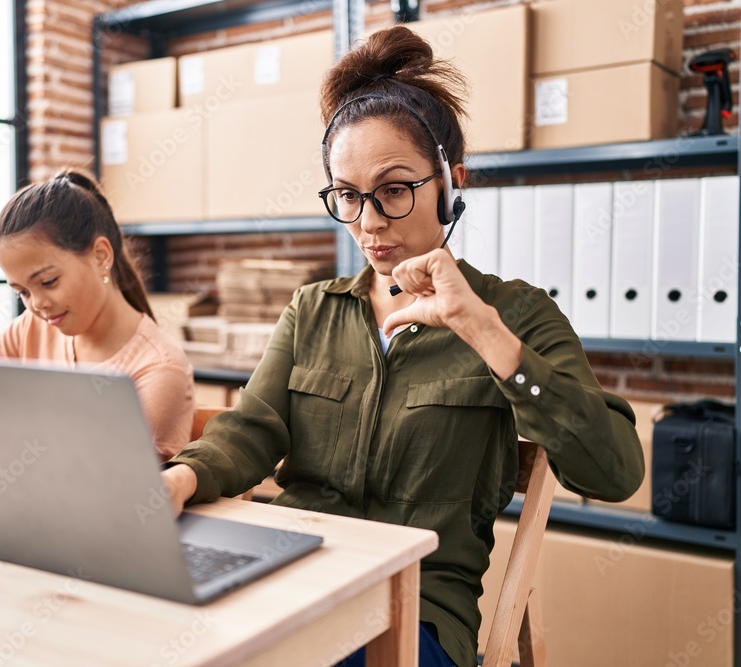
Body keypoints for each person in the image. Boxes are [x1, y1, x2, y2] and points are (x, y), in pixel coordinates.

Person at [159, 26, 644, 667]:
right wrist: (182, 477)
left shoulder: (516, 313)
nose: (368, 221)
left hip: (415, 612)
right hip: (296, 579)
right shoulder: (314, 309)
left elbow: (613, 471)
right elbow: (252, 428)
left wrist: (485, 333)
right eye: (347, 195)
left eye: (392, 189)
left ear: (450, 181)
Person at [0, 170, 196, 479]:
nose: (37, 304)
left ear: (100, 256)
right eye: (23, 292)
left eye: (49, 281)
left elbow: (104, 485)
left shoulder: (160, 368)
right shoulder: (29, 329)